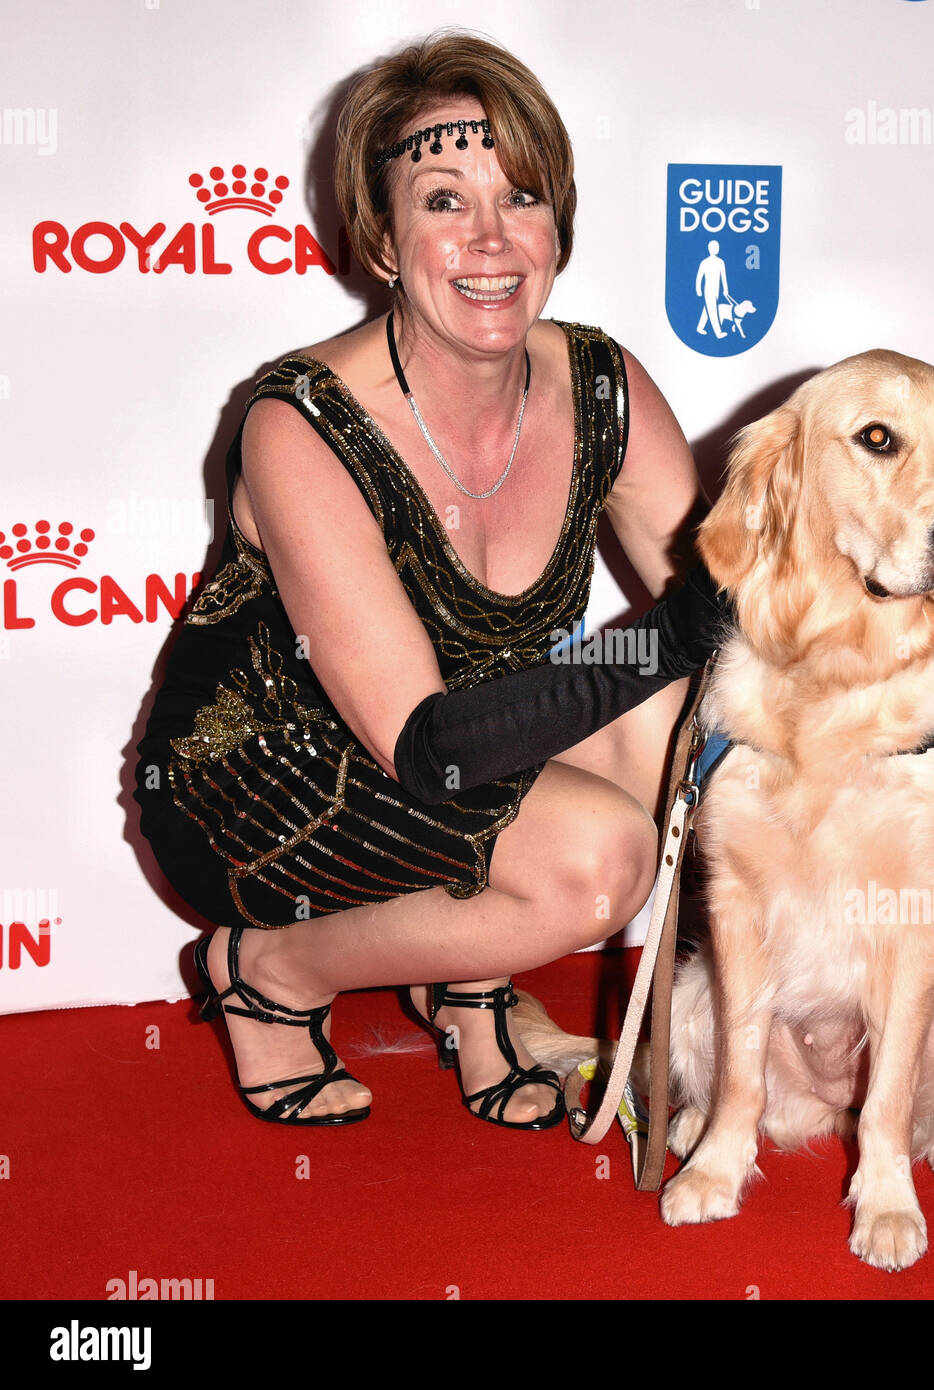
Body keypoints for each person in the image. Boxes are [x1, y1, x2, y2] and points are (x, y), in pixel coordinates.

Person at [133, 32, 728, 1132]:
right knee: (599, 868)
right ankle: (276, 968)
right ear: (381, 233)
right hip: (272, 779)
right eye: (444, 199)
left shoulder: (598, 383)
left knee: (694, 715)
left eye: (522, 197)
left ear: (559, 221)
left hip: (472, 756)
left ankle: (463, 981)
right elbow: (427, 745)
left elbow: (724, 623)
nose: (492, 240)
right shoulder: (301, 422)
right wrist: (697, 618)